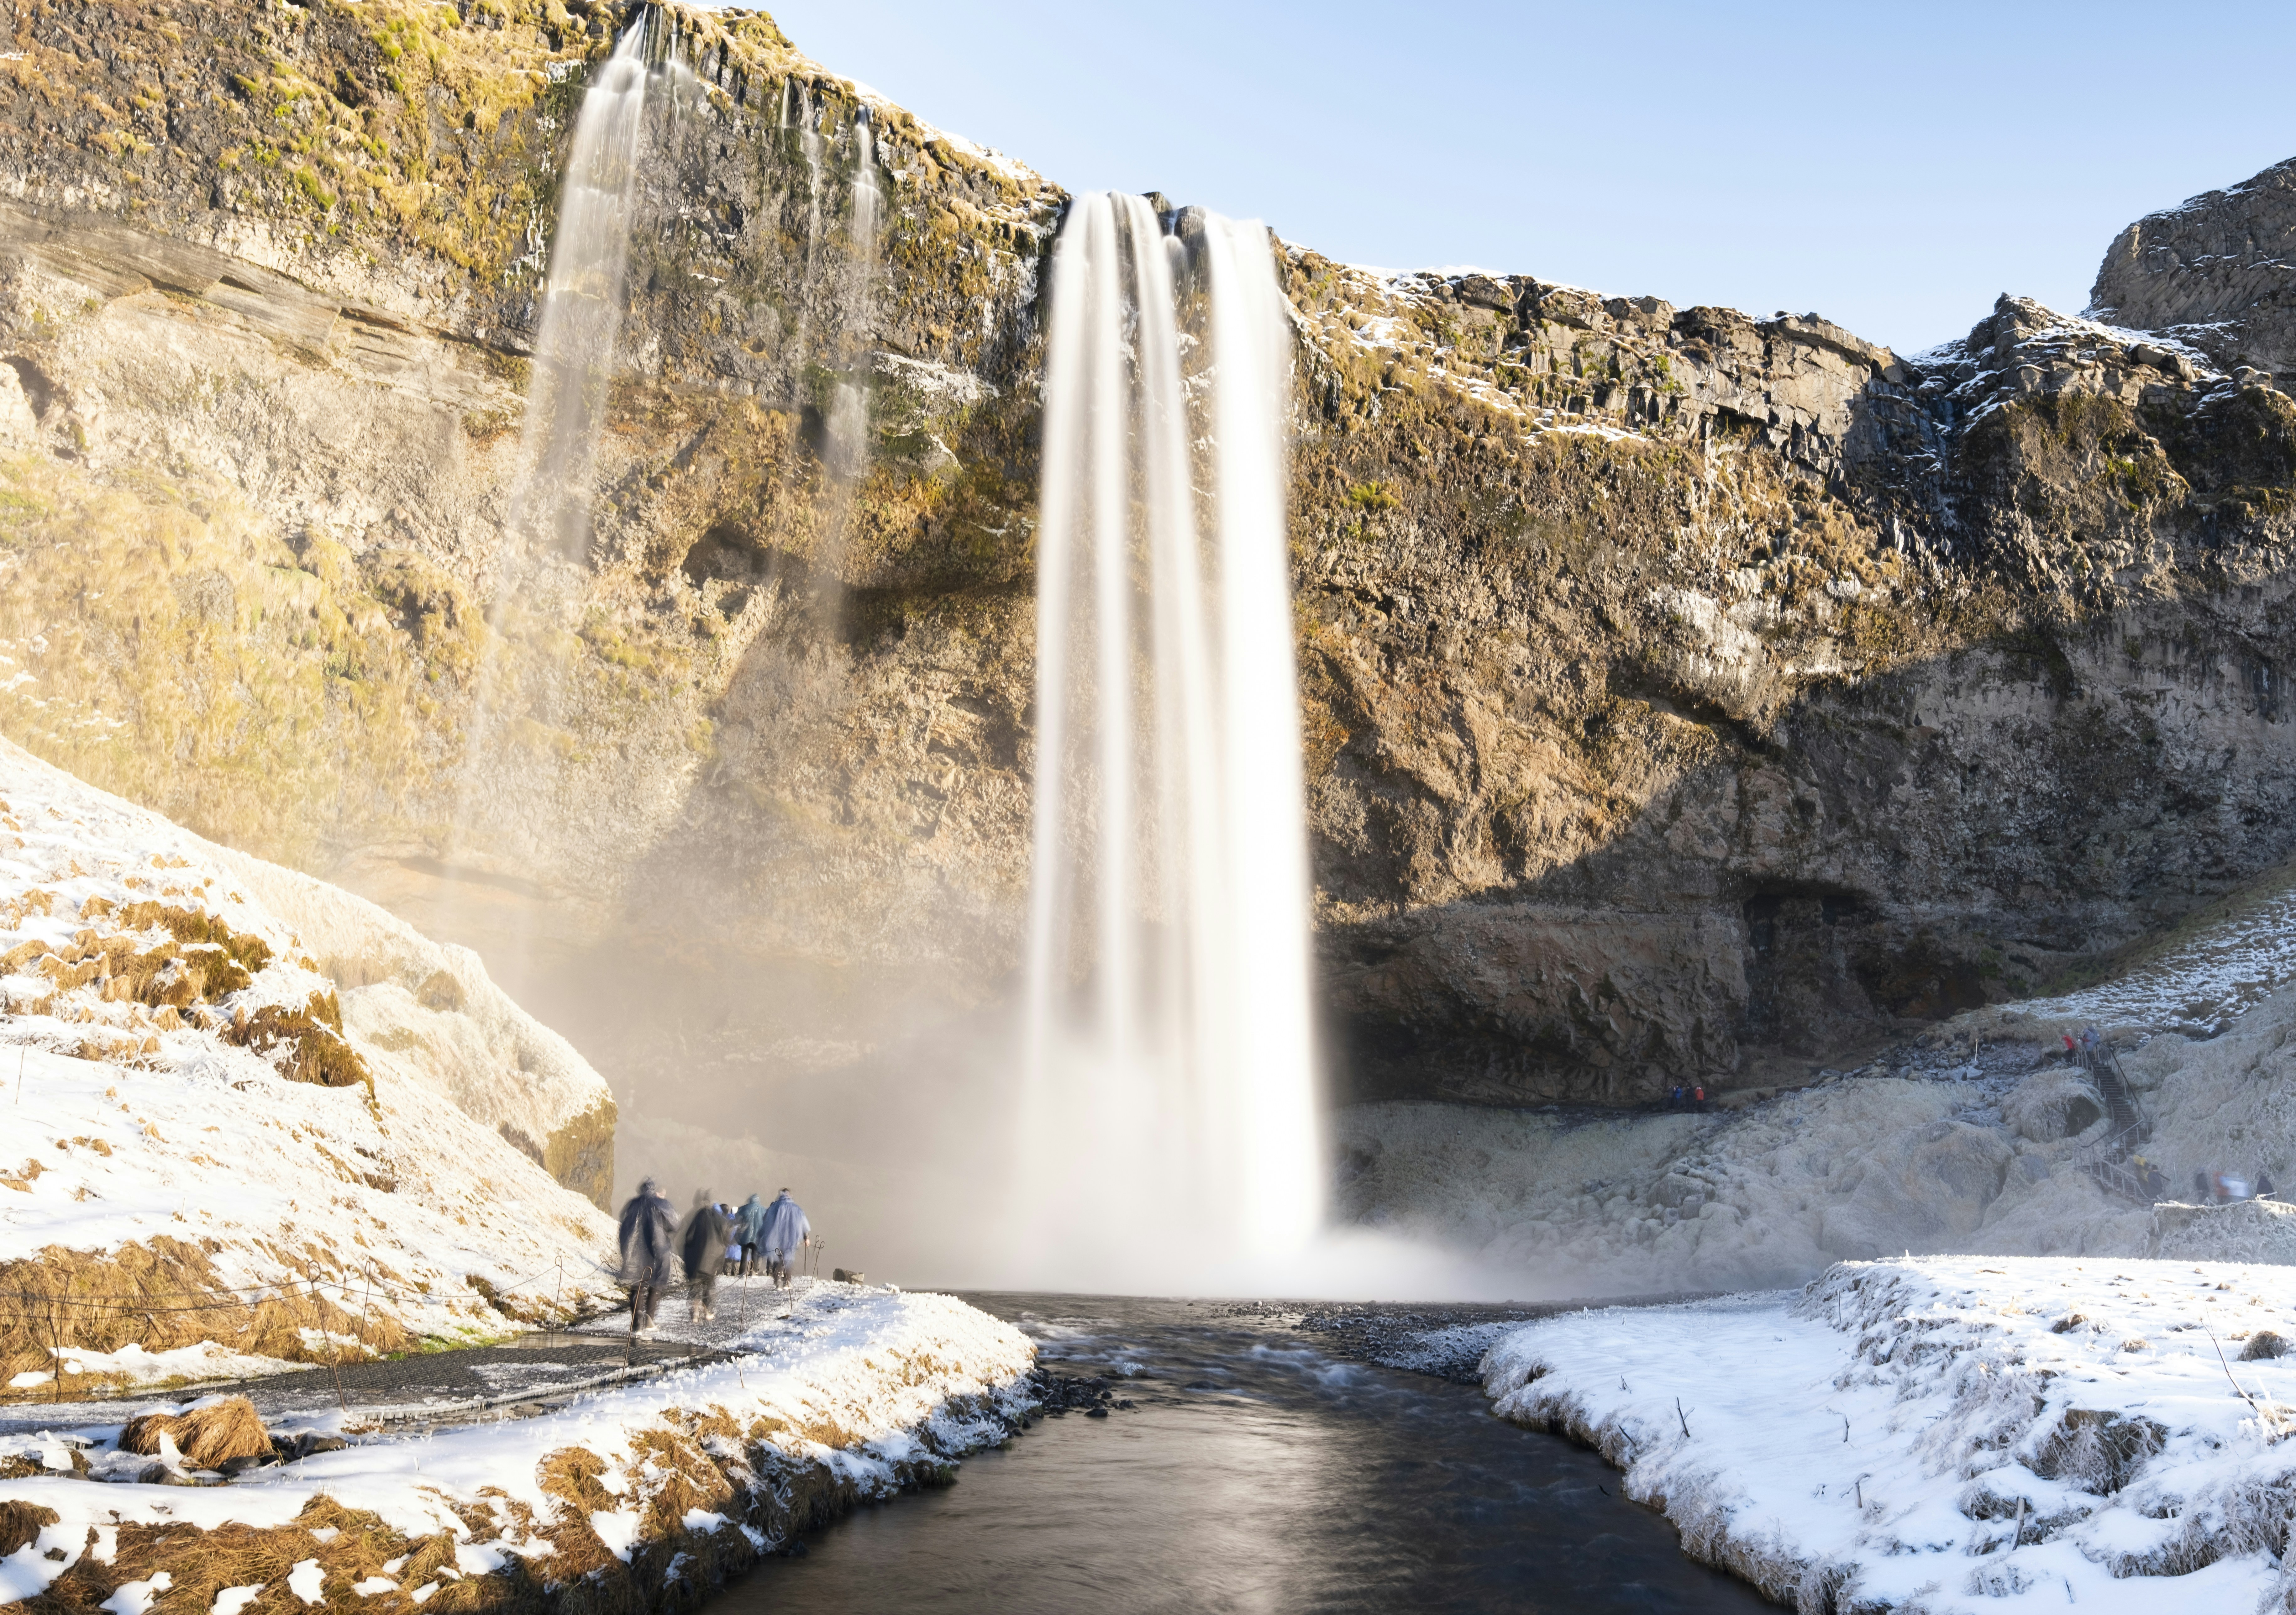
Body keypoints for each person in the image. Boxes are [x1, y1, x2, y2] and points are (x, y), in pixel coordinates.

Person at [615, 1178, 676, 1335]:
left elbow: (624, 1229)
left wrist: (625, 1251)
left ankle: (637, 1326)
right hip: (658, 1253)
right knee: (656, 1286)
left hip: (636, 1255)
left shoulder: (633, 1204)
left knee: (638, 1289)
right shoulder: (660, 1204)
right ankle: (650, 1319)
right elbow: (674, 1224)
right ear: (653, 1189)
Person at [679, 1189, 733, 1323]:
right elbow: (727, 1237)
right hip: (713, 1260)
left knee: (695, 1286)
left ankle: (695, 1314)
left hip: (696, 1260)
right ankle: (708, 1312)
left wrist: (688, 1254)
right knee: (709, 1286)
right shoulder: (720, 1219)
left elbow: (688, 1237)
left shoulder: (696, 1216)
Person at [758, 1186, 811, 1290]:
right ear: (790, 1196)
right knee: (788, 1259)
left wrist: (763, 1235)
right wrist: (806, 1238)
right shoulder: (796, 1209)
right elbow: (803, 1223)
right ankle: (787, 1281)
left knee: (778, 1257)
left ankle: (777, 1281)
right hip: (791, 1239)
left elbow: (766, 1220)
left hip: (776, 1238)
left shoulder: (774, 1207)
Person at [735, 1193, 769, 1277]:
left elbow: (737, 1217)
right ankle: (753, 1271)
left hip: (746, 1236)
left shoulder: (745, 1208)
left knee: (744, 1254)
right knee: (755, 1254)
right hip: (756, 1237)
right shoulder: (763, 1210)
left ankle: (743, 1272)